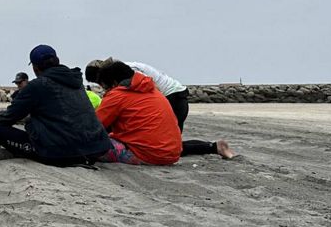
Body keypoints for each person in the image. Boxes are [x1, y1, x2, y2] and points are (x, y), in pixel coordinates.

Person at [0, 45, 112, 165]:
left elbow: (8, 117)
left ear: (35, 67)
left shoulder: (37, 85)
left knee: (0, 130)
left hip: (61, 153)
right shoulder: (76, 81)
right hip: (96, 149)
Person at [96, 61, 235, 162]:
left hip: (150, 155)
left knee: (92, 143)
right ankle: (211, 147)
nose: (105, 92)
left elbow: (94, 126)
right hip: (172, 154)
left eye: (104, 88)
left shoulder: (117, 95)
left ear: (113, 83)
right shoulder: (151, 89)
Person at [87, 59, 189, 130]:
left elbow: (151, 88)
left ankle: (204, 147)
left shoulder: (131, 71)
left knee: (170, 139)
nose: (102, 85)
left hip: (174, 97)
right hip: (173, 96)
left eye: (100, 81)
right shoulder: (122, 71)